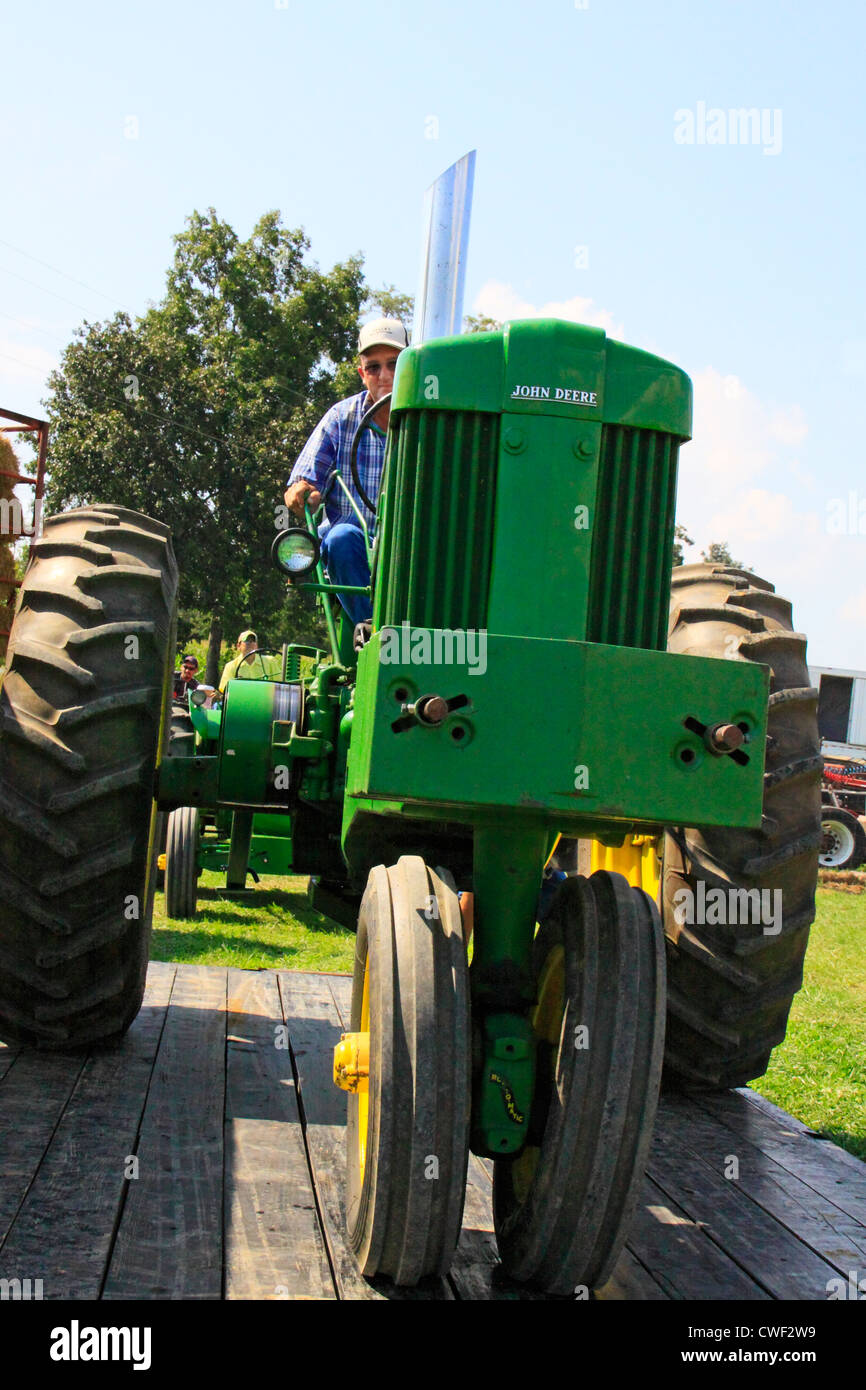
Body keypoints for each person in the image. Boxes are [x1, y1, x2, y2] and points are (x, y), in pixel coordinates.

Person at [283, 317, 409, 626]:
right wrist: (303, 494)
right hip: (357, 553)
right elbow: (300, 489)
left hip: (412, 550)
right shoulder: (341, 418)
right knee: (340, 537)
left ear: (411, 366)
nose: (385, 376)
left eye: (394, 364)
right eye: (374, 367)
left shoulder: (432, 420)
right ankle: (374, 632)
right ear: (361, 374)